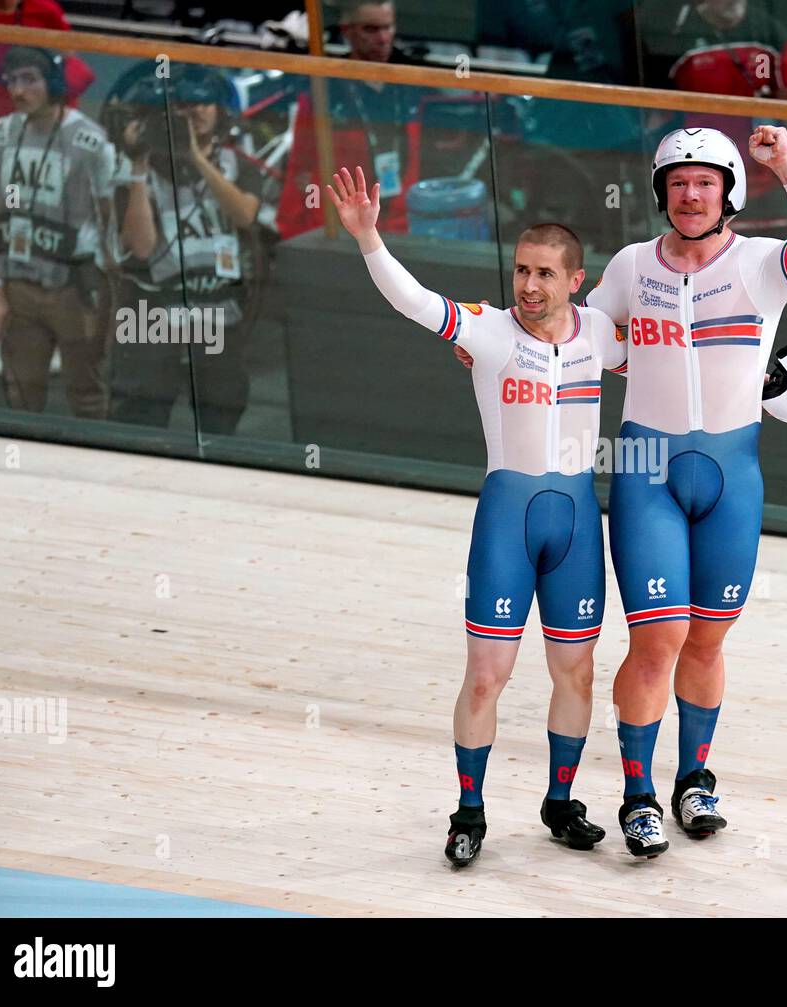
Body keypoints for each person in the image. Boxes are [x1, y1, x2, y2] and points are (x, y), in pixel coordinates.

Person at [456, 124, 787, 857]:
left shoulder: (762, 265)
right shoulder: (635, 266)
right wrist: (489, 335)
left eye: (704, 182)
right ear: (662, 195)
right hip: (647, 470)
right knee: (658, 637)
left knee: (707, 638)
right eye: (677, 184)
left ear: (728, 192)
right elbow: (575, 328)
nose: (690, 195)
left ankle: (693, 778)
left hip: (734, 472)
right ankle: (637, 793)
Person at [327, 165, 628, 868]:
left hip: (579, 518)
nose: (529, 285)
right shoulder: (489, 330)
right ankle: (469, 810)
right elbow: (415, 302)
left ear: (575, 280)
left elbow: (678, 343)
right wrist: (370, 238)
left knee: (576, 673)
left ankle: (560, 802)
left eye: (545, 273)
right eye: (522, 270)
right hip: (507, 520)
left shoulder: (604, 336)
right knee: (488, 675)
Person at [108, 63, 267, 434]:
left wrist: (195, 156)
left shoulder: (236, 165)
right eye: (180, 105)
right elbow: (143, 247)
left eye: (202, 103)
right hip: (153, 311)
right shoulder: (132, 169)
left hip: (218, 310)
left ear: (220, 110)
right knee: (142, 411)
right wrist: (138, 165)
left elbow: (244, 214)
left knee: (221, 410)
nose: (192, 112)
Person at [0, 0, 95, 377]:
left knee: (43, 233)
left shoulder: (45, 12)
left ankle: (47, 335)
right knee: (0, 236)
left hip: (39, 146)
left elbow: (73, 72)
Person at [0, 46, 113, 417]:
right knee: (21, 394)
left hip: (75, 286)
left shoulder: (91, 144)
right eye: (12, 81)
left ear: (53, 83)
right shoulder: (2, 136)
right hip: (20, 285)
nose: (17, 91)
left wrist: (107, 293)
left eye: (29, 80)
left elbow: (108, 221)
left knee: (86, 394)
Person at [640, 0, 787, 214]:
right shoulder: (671, 32)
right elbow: (656, 113)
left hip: (760, 177)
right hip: (697, 177)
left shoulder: (768, 31)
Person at [276, 0, 421, 240]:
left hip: (400, 225)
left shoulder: (414, 81)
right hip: (342, 226)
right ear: (347, 31)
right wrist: (294, 232)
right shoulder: (324, 90)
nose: (383, 38)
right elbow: (300, 168)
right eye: (371, 30)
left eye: (388, 27)